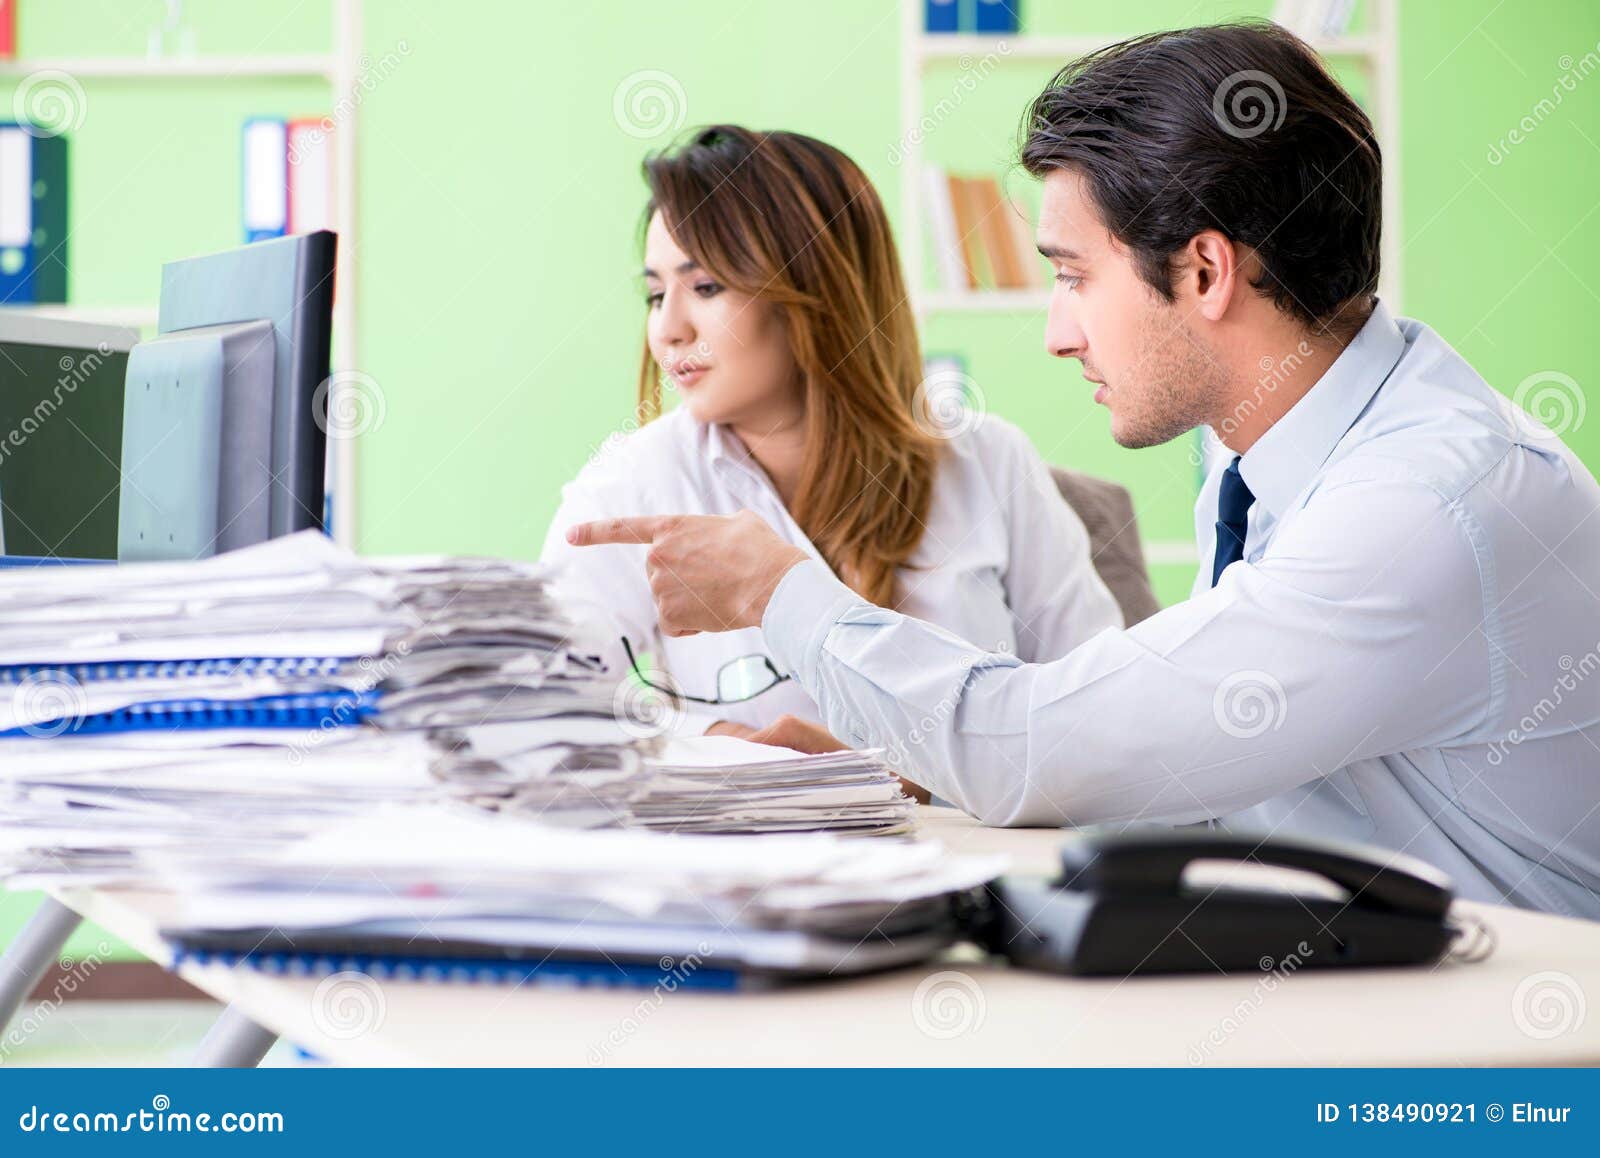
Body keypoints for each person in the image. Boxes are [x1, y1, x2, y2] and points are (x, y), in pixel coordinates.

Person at [568, 25, 1600, 920]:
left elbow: (1058, 738)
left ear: (1203, 272)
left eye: (1072, 275)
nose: (1058, 333)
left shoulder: (1418, 507)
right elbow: (1188, 757)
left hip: (1519, 1044)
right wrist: (901, 775)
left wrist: (781, 596)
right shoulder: (1272, 446)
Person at [542, 124, 1122, 756]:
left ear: (819, 290)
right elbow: (535, 699)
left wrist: (908, 774)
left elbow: (1101, 710)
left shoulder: (989, 462)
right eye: (656, 293)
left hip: (978, 848)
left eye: (706, 287)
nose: (668, 329)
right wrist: (711, 736)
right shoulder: (634, 482)